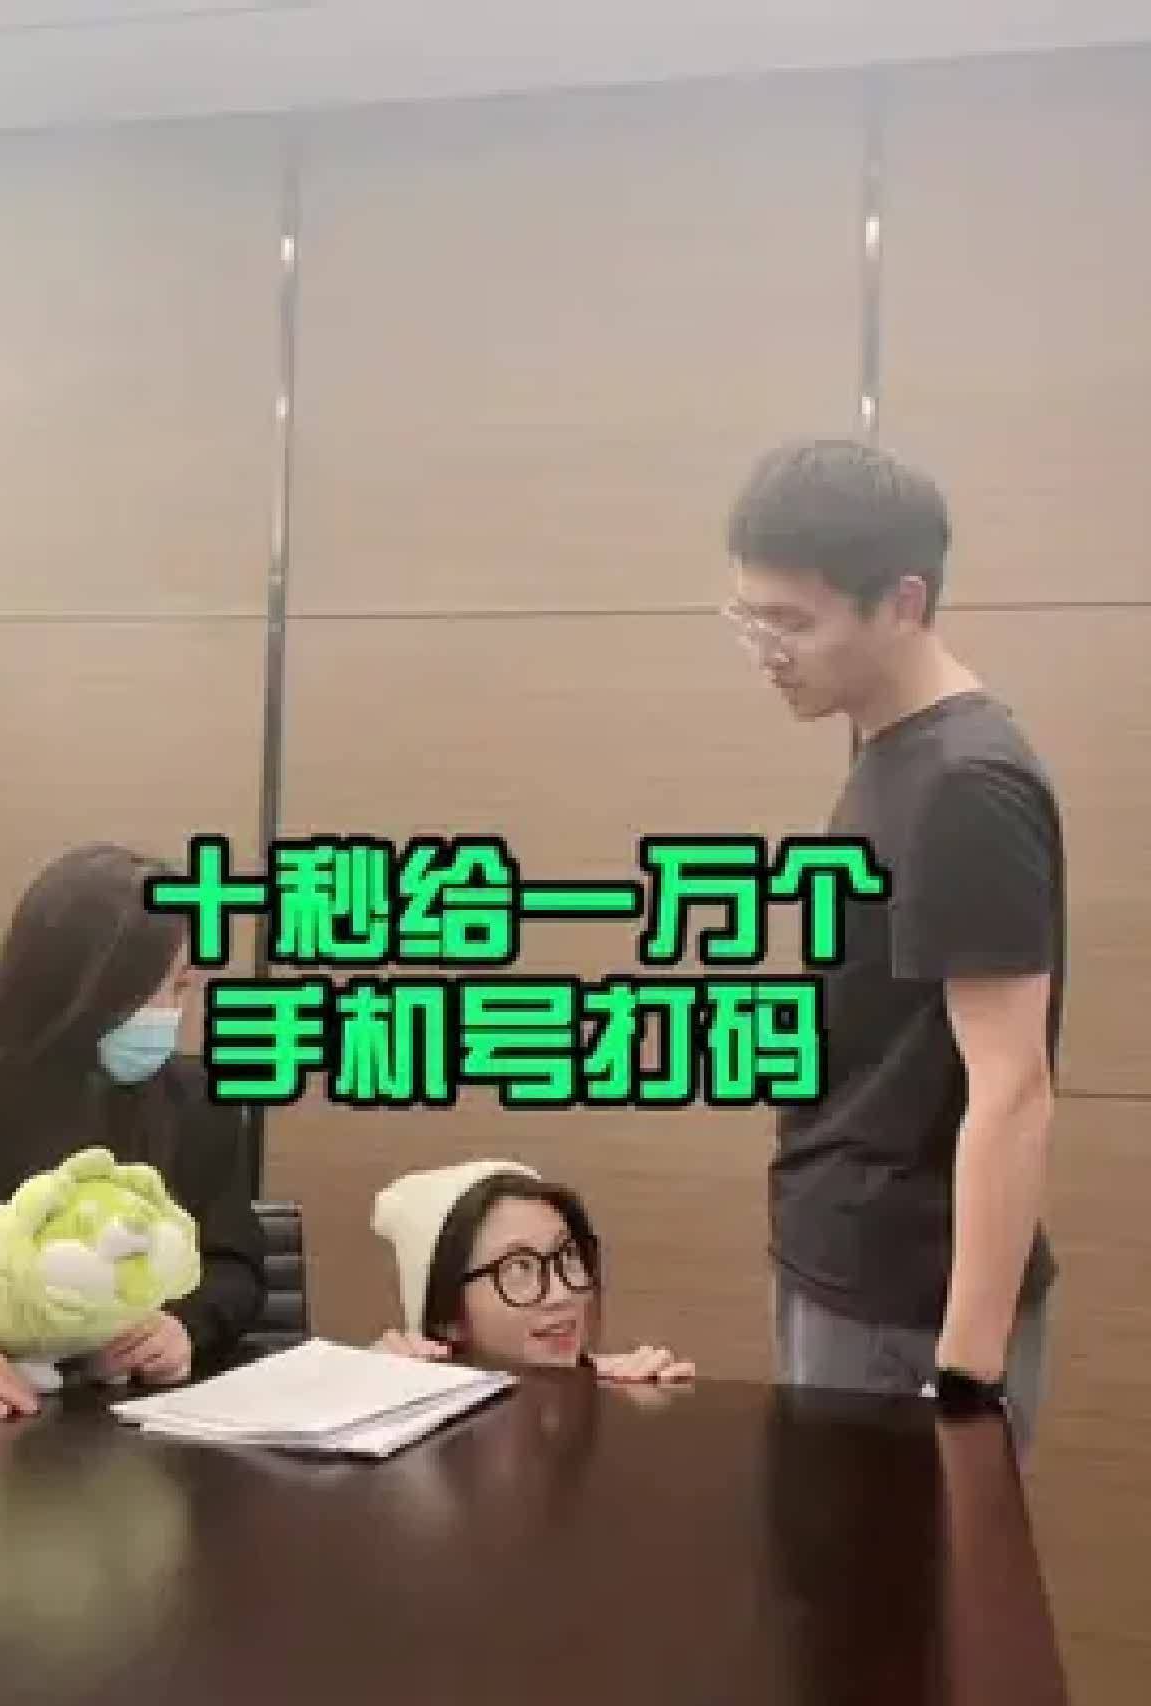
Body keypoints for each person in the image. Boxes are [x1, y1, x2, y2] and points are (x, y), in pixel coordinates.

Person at [723, 438, 1065, 1454]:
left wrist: (964, 1372)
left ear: (903, 601)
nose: (766, 650)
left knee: (888, 1566)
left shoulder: (964, 783)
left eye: (793, 622)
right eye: (749, 618)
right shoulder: (894, 750)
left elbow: (1012, 1088)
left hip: (905, 1309)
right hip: (847, 1265)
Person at [0, 842, 265, 1420]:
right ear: (83, 989)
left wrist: (186, 1327)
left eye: (184, 987)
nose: (171, 1011)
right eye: (158, 987)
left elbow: (236, 1267)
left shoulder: (197, 1101)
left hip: (133, 1422)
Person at [370, 1158, 695, 1383]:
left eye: (568, 1255)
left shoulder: (610, 1392)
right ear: (448, 1318)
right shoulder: (418, 1438)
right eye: (518, 1268)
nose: (561, 1294)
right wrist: (377, 1392)